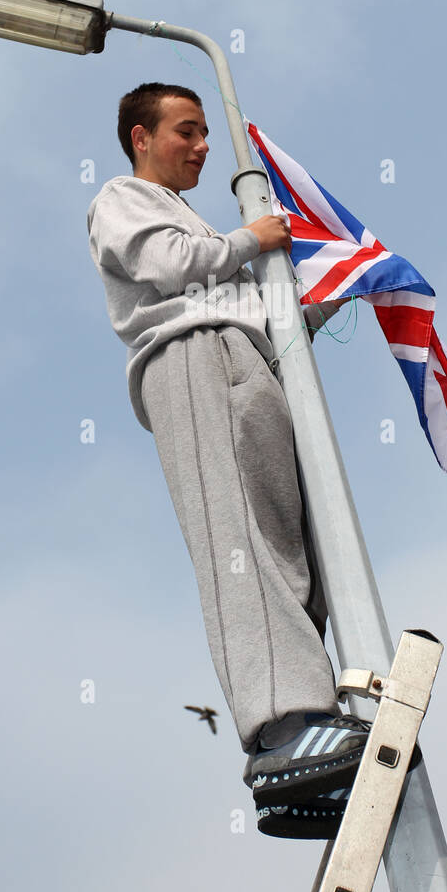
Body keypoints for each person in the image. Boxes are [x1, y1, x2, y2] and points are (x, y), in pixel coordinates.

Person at [86, 82, 370, 837]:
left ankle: (305, 748)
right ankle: (279, 726)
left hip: (246, 356)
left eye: (207, 132)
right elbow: (169, 265)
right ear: (142, 138)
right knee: (236, 538)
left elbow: (264, 310)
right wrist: (256, 237)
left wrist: (343, 287)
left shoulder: (205, 228)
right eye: (187, 131)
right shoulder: (122, 197)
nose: (203, 146)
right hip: (189, 357)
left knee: (287, 537)